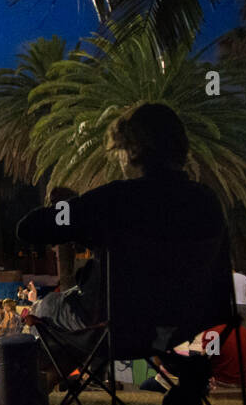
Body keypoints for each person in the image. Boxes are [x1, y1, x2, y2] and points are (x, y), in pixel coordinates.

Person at [17, 103, 234, 384]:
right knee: (75, 328)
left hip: (116, 329)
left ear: (133, 150)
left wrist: (73, 208)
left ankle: (29, 403)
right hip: (181, 330)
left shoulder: (117, 200)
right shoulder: (207, 202)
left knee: (43, 310)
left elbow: (29, 229)